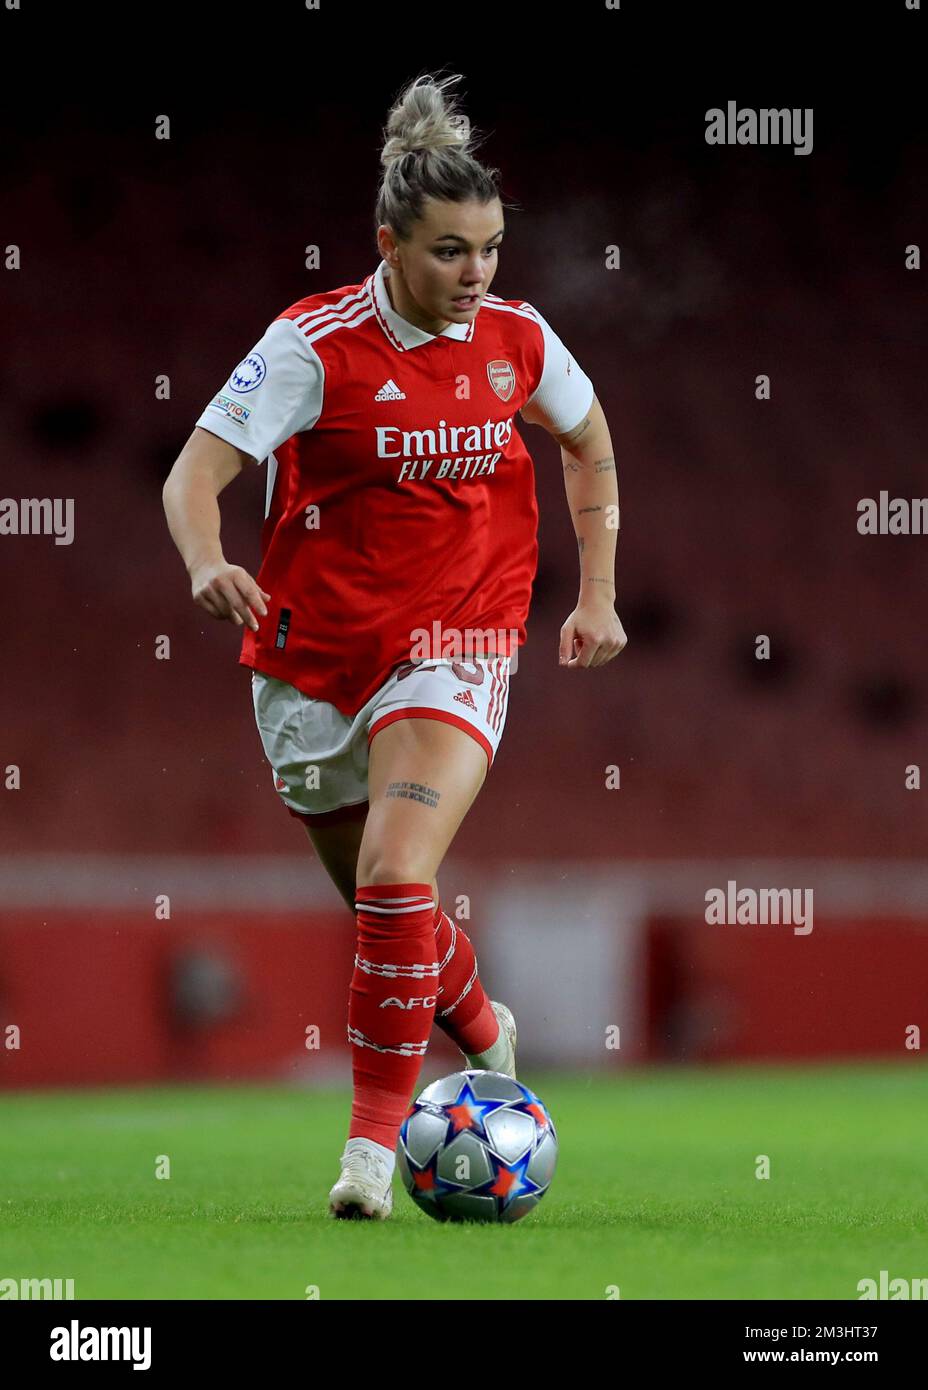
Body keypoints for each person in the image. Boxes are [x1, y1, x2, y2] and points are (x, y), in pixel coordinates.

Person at [162, 71, 627, 1221]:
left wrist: (597, 591)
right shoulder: (311, 345)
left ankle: (372, 1149)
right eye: (449, 252)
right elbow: (194, 473)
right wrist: (206, 560)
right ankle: (479, 1021)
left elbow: (589, 444)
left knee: (394, 870)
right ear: (388, 244)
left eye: (491, 249)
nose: (477, 276)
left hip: (459, 640)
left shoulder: (518, 338)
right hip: (311, 656)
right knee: (388, 906)